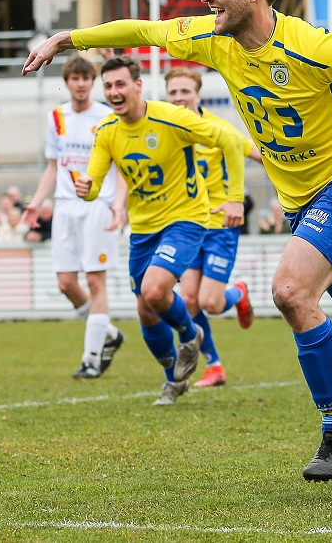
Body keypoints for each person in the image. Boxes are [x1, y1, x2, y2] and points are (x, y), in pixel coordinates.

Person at [23, 0, 332, 484]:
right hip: (304, 200)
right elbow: (142, 31)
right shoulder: (214, 40)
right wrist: (68, 38)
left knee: (290, 291)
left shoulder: (313, 45)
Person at [70, 56, 245, 406]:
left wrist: (235, 200)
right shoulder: (106, 132)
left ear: (137, 86)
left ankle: (188, 333)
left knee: (155, 290)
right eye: (108, 86)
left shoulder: (171, 116)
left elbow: (230, 141)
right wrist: (86, 188)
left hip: (186, 219)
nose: (114, 92)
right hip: (143, 229)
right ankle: (173, 379)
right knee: (146, 310)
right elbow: (93, 187)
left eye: (121, 84)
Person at [22, 54, 128, 378]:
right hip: (65, 207)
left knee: (95, 280)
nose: (81, 84)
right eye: (75, 79)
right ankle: (107, 332)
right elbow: (54, 166)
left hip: (98, 205)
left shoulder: (108, 116)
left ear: (92, 83)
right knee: (66, 282)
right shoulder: (56, 117)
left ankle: (92, 358)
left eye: (86, 79)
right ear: (67, 82)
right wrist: (37, 202)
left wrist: (119, 204)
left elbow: (120, 166)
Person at [165, 67, 259, 387]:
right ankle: (214, 365)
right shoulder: (167, 132)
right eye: (173, 92)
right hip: (188, 226)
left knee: (210, 303)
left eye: (185, 92)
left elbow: (255, 153)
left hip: (220, 226)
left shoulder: (218, 130)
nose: (179, 98)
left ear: (198, 95)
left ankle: (238, 293)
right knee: (187, 299)